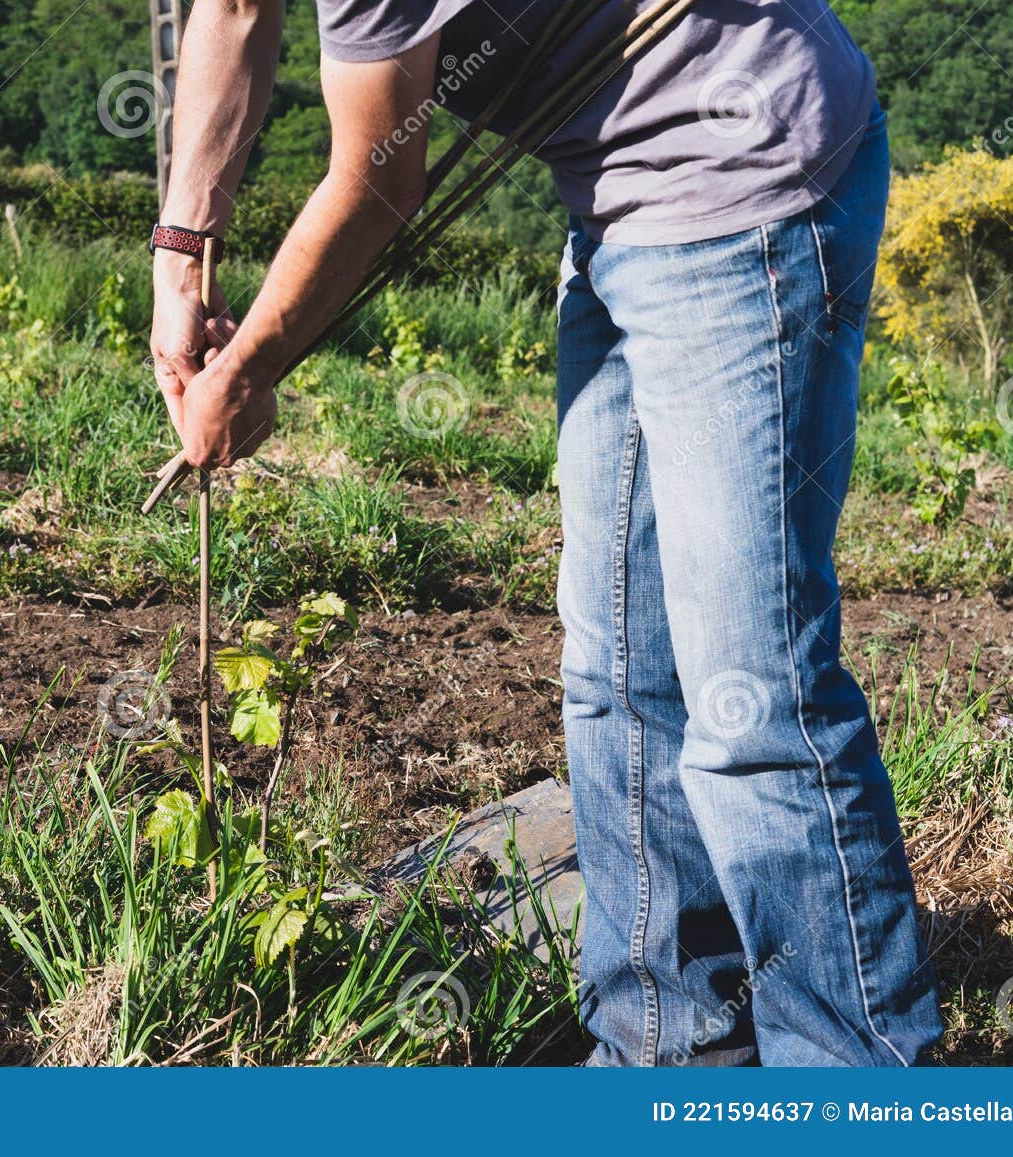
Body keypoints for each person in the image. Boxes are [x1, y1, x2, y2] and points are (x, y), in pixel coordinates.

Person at [147, 0, 942, 1066]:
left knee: (749, 695)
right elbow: (233, 9)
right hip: (614, 205)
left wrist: (245, 374)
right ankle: (664, 1053)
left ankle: (853, 1087)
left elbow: (379, 177)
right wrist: (179, 256)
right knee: (616, 670)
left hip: (739, 180)